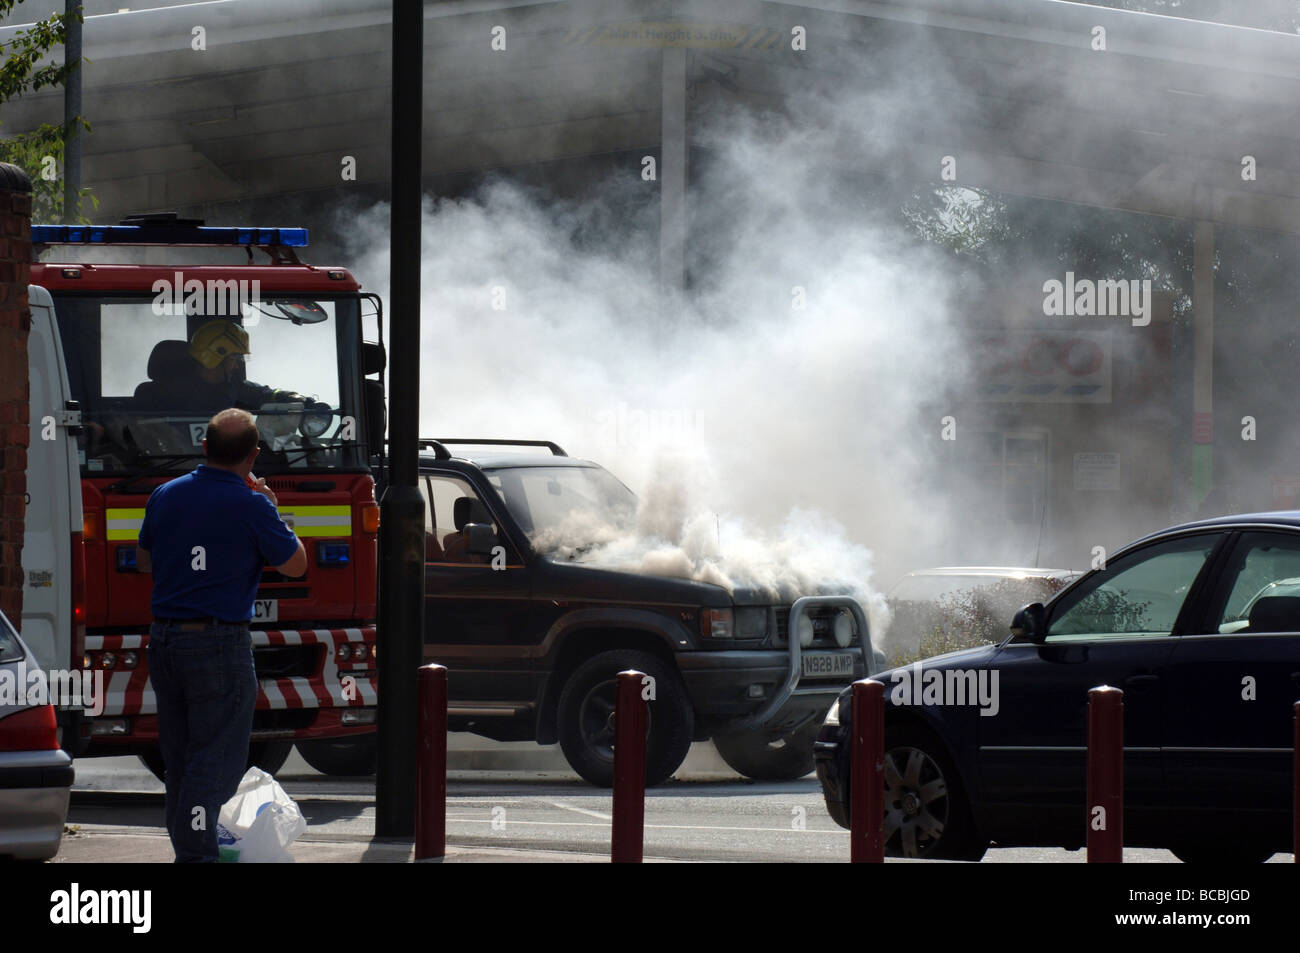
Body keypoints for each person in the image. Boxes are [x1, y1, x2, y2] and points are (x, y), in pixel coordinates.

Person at [136, 408, 307, 862]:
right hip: (218, 645)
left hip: (165, 642)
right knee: (216, 761)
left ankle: (189, 853)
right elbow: (296, 565)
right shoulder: (252, 505)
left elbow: (144, 561)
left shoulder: (165, 494)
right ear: (252, 456)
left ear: (205, 447)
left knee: (182, 762)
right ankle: (198, 858)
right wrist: (271, 507)